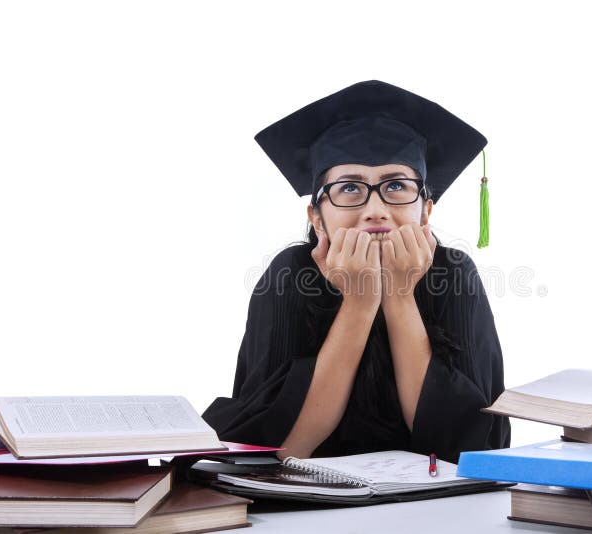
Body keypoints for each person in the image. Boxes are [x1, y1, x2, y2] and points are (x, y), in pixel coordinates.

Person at [202, 80, 510, 463]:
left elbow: (467, 452)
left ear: (426, 210)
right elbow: (280, 451)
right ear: (317, 218)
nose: (375, 209)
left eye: (396, 185)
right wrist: (360, 303)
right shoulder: (291, 276)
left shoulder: (454, 274)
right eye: (350, 188)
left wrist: (398, 296)